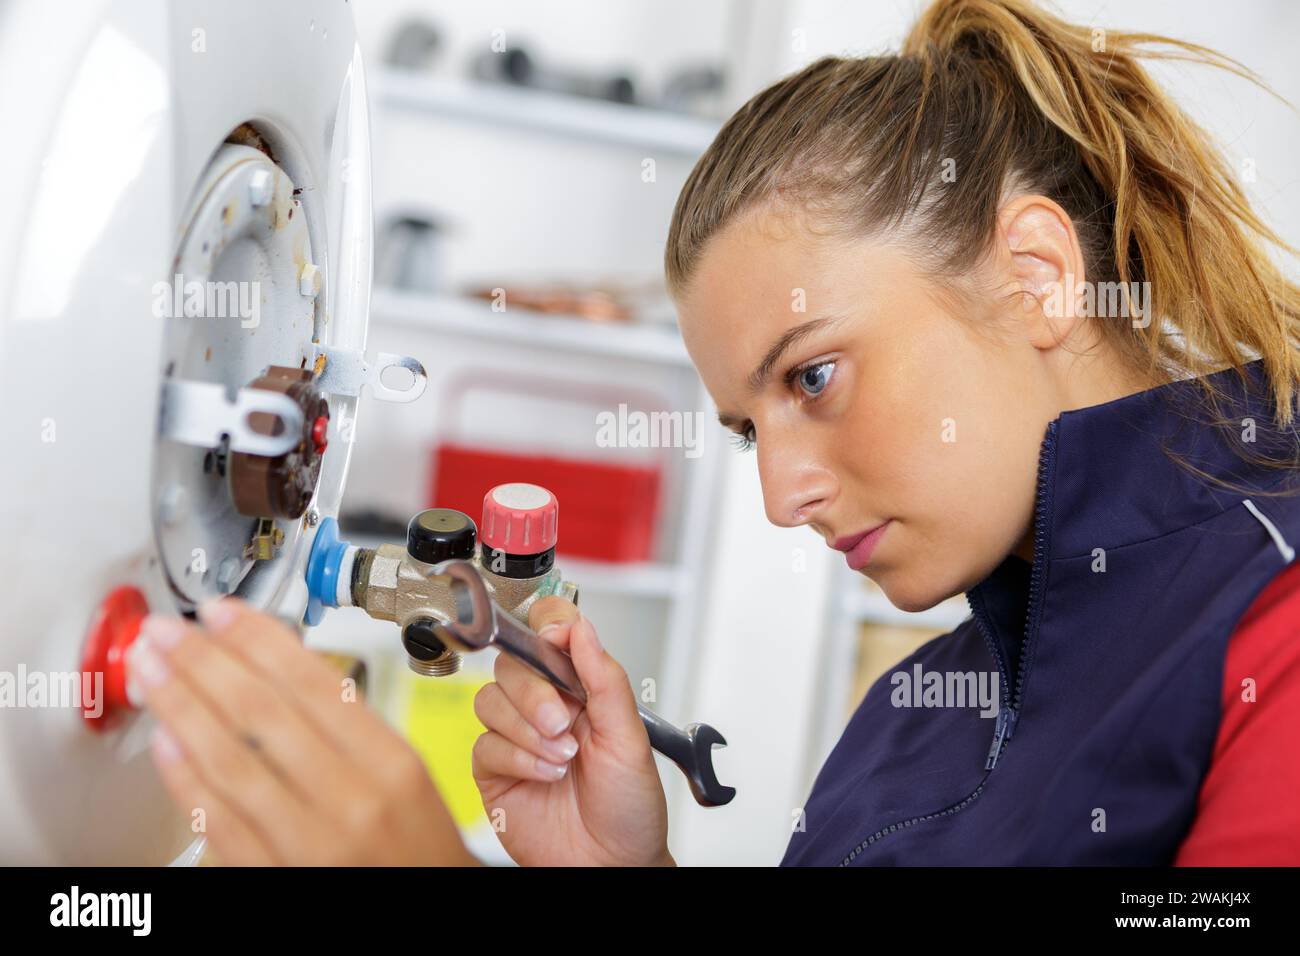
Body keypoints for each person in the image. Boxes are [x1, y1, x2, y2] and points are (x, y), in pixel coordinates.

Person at [126, 0, 1300, 865]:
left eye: (816, 375)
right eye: (747, 429)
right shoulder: (909, 718)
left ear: (1039, 277)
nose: (781, 494)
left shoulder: (1275, 623)